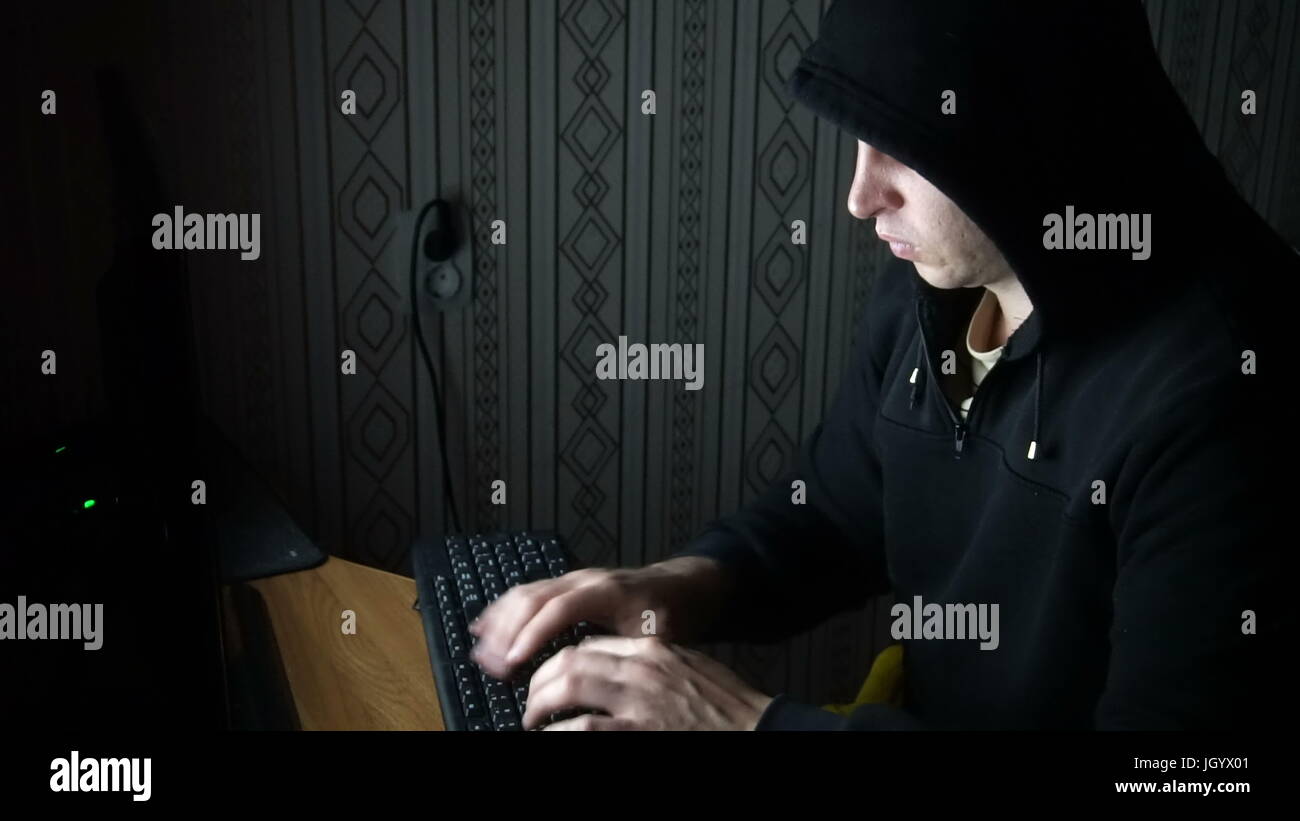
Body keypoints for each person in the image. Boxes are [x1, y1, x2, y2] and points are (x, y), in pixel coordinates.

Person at [469, 0, 1294, 730]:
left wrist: (749, 724)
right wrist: (673, 586)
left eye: (902, 143)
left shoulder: (1227, 392)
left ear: (1036, 120)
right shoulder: (941, 280)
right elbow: (838, 511)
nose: (861, 196)